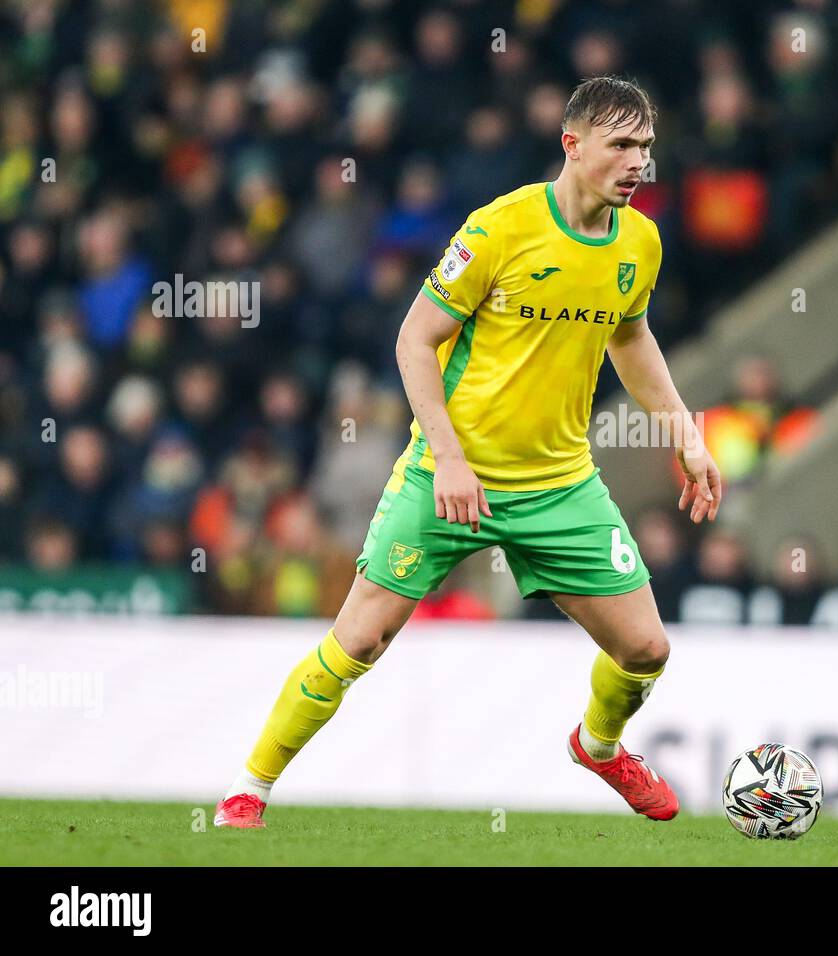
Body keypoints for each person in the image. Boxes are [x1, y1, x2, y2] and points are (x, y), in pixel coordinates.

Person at [214, 77, 722, 828]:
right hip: (450, 473)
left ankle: (599, 745)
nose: (639, 161)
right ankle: (249, 790)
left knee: (646, 648)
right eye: (621, 145)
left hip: (560, 485)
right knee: (361, 637)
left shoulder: (640, 241)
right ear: (572, 146)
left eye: (646, 145)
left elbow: (631, 336)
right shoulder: (500, 228)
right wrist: (449, 457)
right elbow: (413, 339)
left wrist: (685, 431)